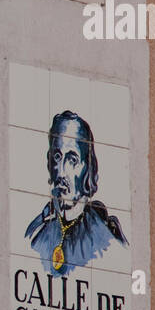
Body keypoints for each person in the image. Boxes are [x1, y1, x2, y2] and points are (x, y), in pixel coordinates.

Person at [24, 110, 127, 274]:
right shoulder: (37, 232)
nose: (62, 172)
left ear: (88, 168)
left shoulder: (106, 240)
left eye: (72, 160)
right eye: (57, 157)